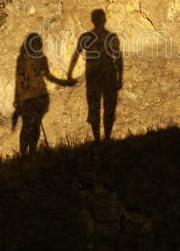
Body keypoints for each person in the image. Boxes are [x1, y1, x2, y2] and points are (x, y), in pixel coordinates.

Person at [12, 32, 73, 156]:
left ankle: (32, 152)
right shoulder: (23, 59)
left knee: (35, 125)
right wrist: (18, 98)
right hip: (29, 97)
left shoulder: (41, 58)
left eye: (38, 43)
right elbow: (19, 79)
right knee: (27, 125)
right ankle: (23, 153)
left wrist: (63, 82)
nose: (38, 46)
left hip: (40, 96)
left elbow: (47, 75)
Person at [67, 9, 123, 141]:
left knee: (97, 107)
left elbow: (76, 55)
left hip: (96, 75)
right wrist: (120, 77)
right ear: (104, 20)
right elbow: (118, 57)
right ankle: (104, 138)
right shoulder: (111, 37)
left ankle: (99, 139)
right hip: (105, 75)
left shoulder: (87, 37)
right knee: (104, 107)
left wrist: (69, 73)